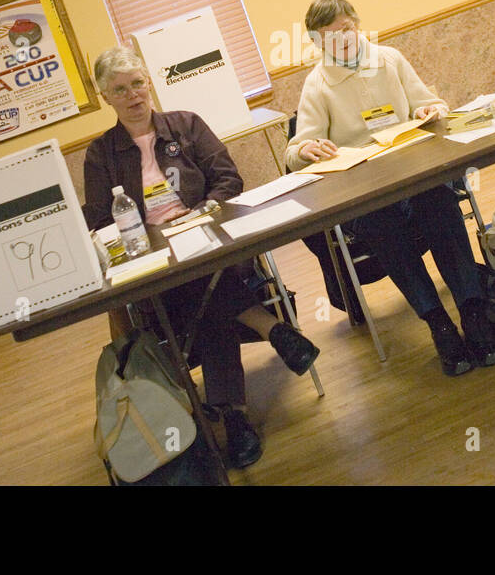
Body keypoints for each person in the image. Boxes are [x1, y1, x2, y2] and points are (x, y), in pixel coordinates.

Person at [83, 46, 320, 468]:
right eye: (120, 89)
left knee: (202, 280)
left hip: (210, 239)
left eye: (138, 83)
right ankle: (272, 336)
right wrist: (154, 237)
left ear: (148, 82)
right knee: (202, 295)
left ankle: (234, 418)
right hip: (154, 259)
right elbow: (102, 219)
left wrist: (202, 212)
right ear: (106, 97)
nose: (133, 95)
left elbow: (227, 178)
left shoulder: (186, 124)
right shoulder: (102, 154)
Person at [285, 0, 495, 376]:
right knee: (379, 225)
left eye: (345, 30)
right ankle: (438, 323)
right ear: (318, 43)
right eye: (328, 37)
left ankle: (472, 311)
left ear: (356, 24)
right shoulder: (318, 84)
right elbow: (293, 154)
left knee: (439, 203)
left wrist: (429, 110)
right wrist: (306, 147)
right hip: (367, 190)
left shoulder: (389, 60)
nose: (340, 41)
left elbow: (433, 105)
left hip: (413, 172)